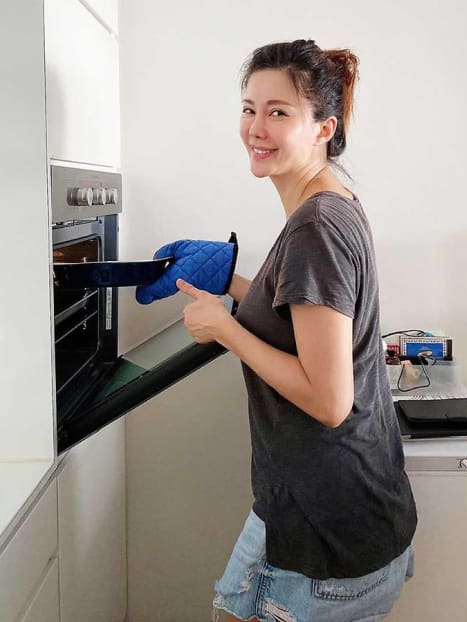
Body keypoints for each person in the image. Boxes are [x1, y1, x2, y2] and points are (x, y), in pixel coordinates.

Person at [135, 39, 417, 622]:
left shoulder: (316, 226)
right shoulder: (329, 204)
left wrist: (226, 329)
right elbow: (303, 316)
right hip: (327, 511)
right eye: (248, 108)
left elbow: (329, 399)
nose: (256, 128)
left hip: (323, 533)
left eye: (279, 112)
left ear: (322, 128)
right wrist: (233, 284)